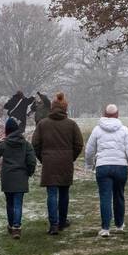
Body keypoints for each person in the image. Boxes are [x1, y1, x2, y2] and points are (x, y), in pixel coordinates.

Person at [84, 104, 128, 237]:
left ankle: (105, 228)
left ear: (104, 113)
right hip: (120, 167)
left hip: (103, 167)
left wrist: (88, 165)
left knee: (105, 197)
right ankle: (119, 224)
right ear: (117, 114)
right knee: (119, 195)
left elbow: (89, 150)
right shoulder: (124, 130)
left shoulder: (97, 130)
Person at [31, 93, 84, 235]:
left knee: (52, 194)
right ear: (65, 108)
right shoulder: (71, 124)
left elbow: (35, 144)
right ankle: (62, 221)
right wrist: (70, 157)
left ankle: (53, 225)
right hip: (65, 162)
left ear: (52, 108)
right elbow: (79, 144)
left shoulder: (43, 124)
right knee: (64, 193)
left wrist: (43, 158)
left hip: (49, 162)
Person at [0, 117, 36, 239]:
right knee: (18, 204)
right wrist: (29, 173)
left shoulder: (4, 145)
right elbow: (31, 161)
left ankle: (10, 225)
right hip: (21, 177)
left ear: (7, 131)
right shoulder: (26, 144)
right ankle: (16, 227)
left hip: (7, 177)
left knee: (9, 203)